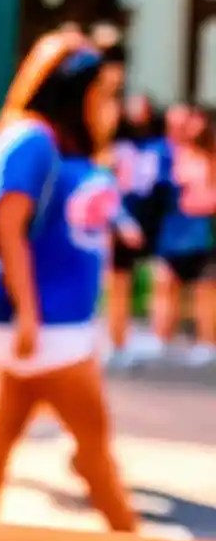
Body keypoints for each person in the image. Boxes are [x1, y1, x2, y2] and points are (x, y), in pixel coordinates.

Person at [0, 32, 139, 531]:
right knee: (94, 449)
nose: (111, 105)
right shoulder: (31, 139)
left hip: (58, 322)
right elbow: (7, 229)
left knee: (3, 430)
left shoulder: (63, 145)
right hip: (45, 325)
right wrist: (28, 313)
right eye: (103, 92)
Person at [104, 94, 166, 368]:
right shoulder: (114, 148)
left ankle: (153, 337)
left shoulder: (160, 148)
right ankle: (117, 340)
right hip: (122, 222)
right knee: (118, 282)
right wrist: (122, 221)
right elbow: (107, 187)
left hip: (153, 220)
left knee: (159, 280)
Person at [150, 105, 216, 365]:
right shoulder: (169, 154)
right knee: (165, 284)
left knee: (205, 289)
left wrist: (198, 200)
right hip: (174, 233)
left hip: (204, 234)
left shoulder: (210, 156)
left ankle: (207, 343)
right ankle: (160, 340)